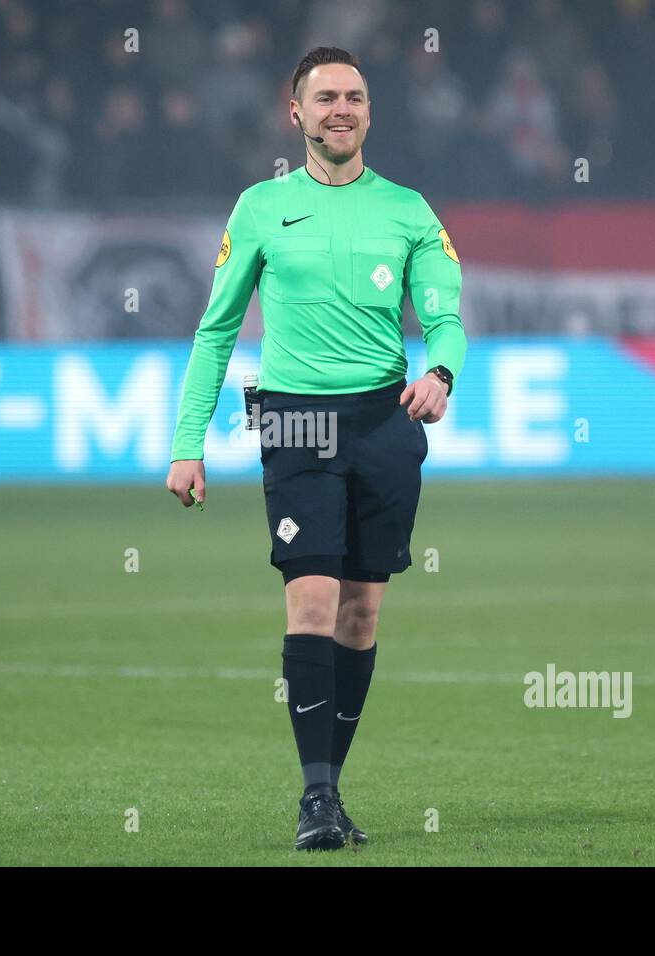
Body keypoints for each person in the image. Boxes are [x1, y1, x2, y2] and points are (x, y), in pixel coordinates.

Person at [165, 47, 466, 850]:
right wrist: (186, 443)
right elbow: (216, 329)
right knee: (312, 600)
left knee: (362, 614)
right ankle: (316, 797)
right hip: (296, 421)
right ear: (293, 112)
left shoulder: (408, 211)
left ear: (370, 112)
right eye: (326, 96)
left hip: (384, 420)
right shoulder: (261, 207)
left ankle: (331, 791)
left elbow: (445, 319)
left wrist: (440, 372)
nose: (342, 109)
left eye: (356, 97)